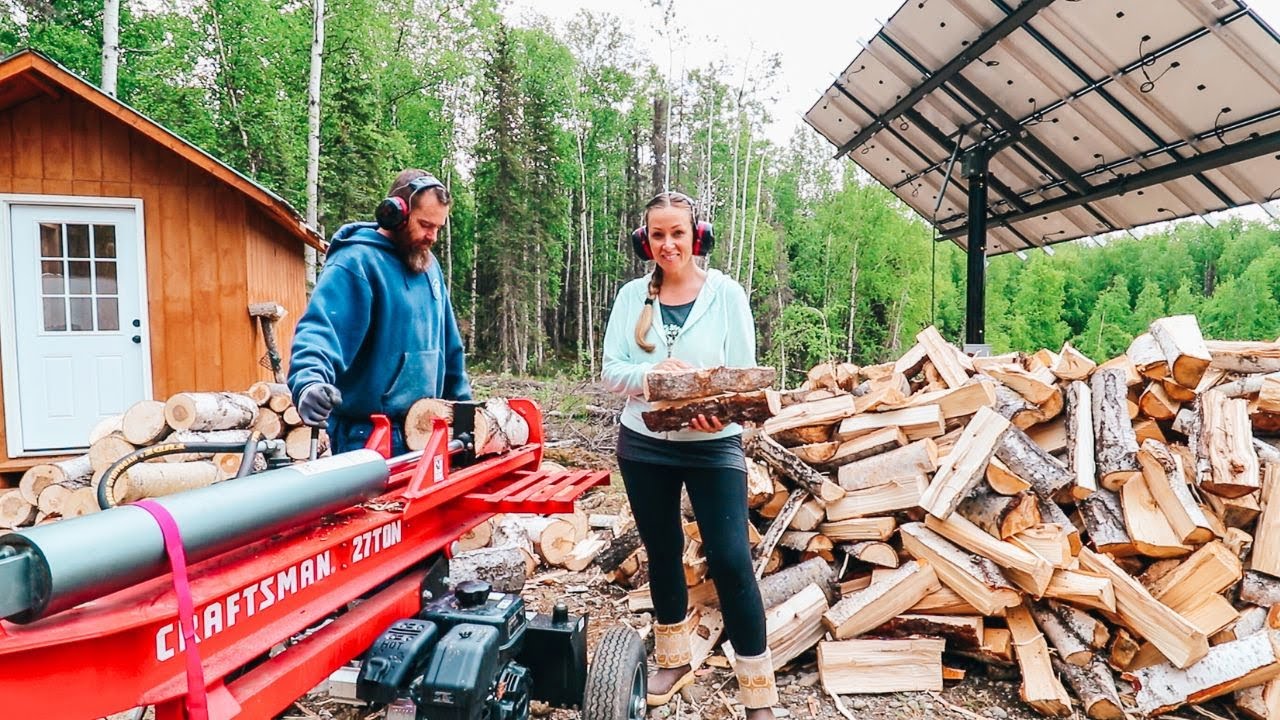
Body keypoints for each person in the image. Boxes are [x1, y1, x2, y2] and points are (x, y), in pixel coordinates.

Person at [601, 191, 776, 719]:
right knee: (662, 549)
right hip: (644, 446)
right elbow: (611, 371)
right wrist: (654, 379)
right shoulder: (632, 296)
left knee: (729, 558)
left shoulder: (726, 295)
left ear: (696, 236)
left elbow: (743, 375)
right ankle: (673, 658)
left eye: (677, 233)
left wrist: (720, 414)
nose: (668, 244)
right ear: (644, 240)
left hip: (713, 447)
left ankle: (759, 691)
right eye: (657, 235)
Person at [288, 169, 472, 456]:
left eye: (438, 227)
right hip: (367, 436)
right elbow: (321, 331)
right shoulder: (356, 262)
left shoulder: (428, 266)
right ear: (395, 214)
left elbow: (449, 349)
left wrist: (464, 413)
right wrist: (309, 382)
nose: (432, 236)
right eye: (425, 224)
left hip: (425, 429)